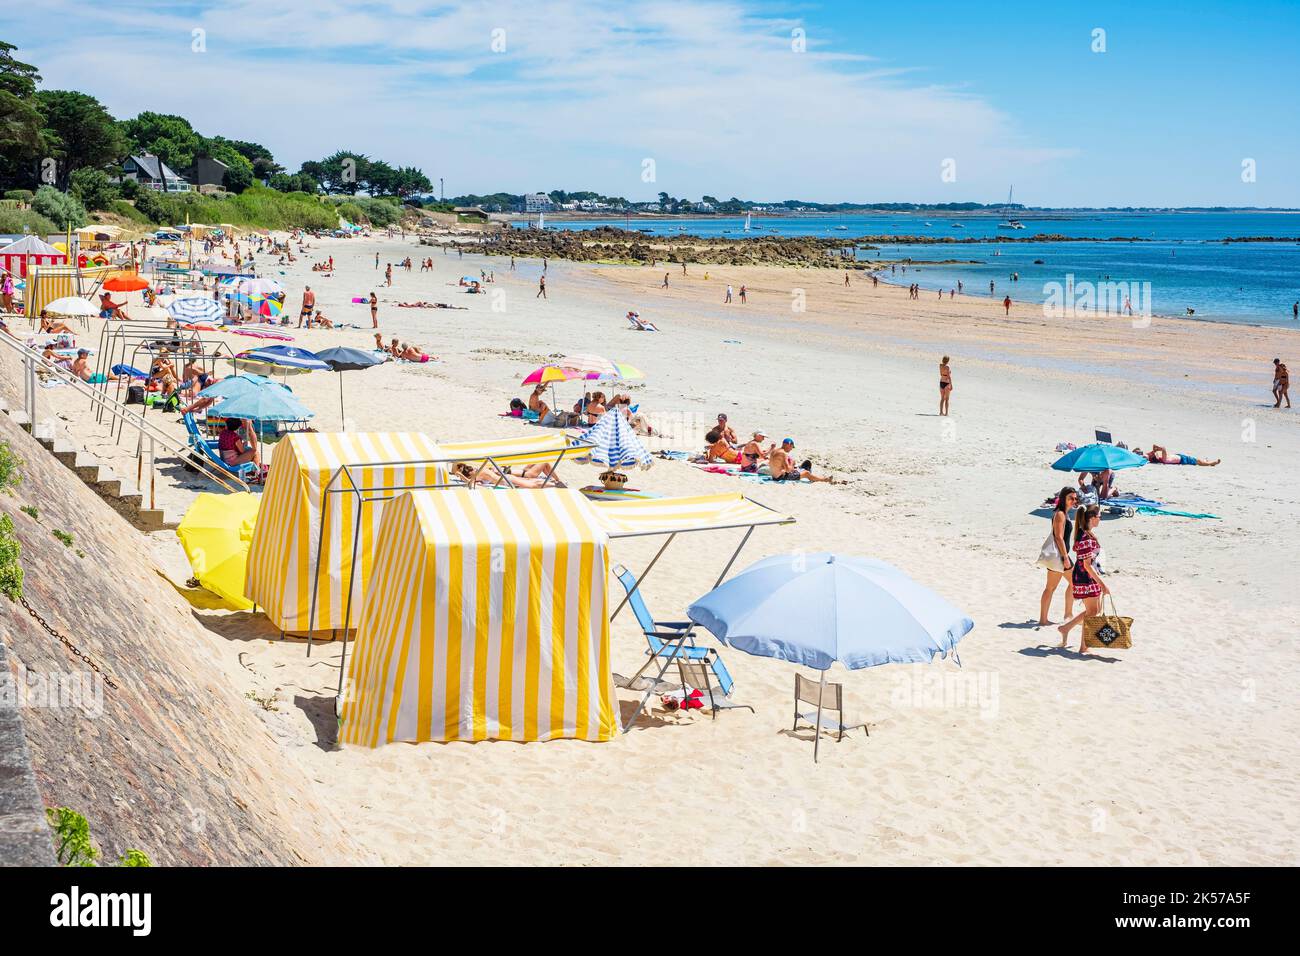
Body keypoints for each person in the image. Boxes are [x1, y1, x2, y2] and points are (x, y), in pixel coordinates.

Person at [1057, 505, 1106, 653]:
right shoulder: (1086, 537)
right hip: (1086, 577)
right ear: (1092, 518)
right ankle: (1083, 647)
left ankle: (1066, 628)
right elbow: (1087, 565)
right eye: (1099, 517)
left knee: (1095, 610)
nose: (1100, 519)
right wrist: (1102, 584)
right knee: (1092, 611)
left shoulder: (1087, 535)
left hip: (1087, 576)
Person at [1037, 487, 1078, 625]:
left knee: (1064, 585)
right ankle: (1055, 617)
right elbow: (1059, 537)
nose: (1073, 501)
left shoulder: (1064, 514)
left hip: (1061, 555)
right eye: (1070, 498)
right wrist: (1065, 557)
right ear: (1063, 499)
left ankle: (1066, 615)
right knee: (1056, 586)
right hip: (1060, 557)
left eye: (1075, 498)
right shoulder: (1060, 514)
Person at [768, 438, 836, 482]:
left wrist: (784, 469)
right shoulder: (784, 453)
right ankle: (824, 480)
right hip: (780, 477)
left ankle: (821, 478)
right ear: (789, 445)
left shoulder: (774, 450)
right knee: (806, 473)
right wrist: (792, 462)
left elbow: (773, 464)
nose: (791, 449)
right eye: (792, 447)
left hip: (774, 476)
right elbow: (788, 470)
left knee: (797, 469)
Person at [1133, 445, 1221, 466]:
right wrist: (1158, 448)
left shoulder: (1159, 458)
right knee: (1198, 461)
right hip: (1183, 460)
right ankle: (1211, 463)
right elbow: (1163, 448)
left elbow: (1150, 454)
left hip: (1179, 456)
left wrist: (1154, 450)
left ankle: (1206, 461)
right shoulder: (1164, 460)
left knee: (1198, 460)